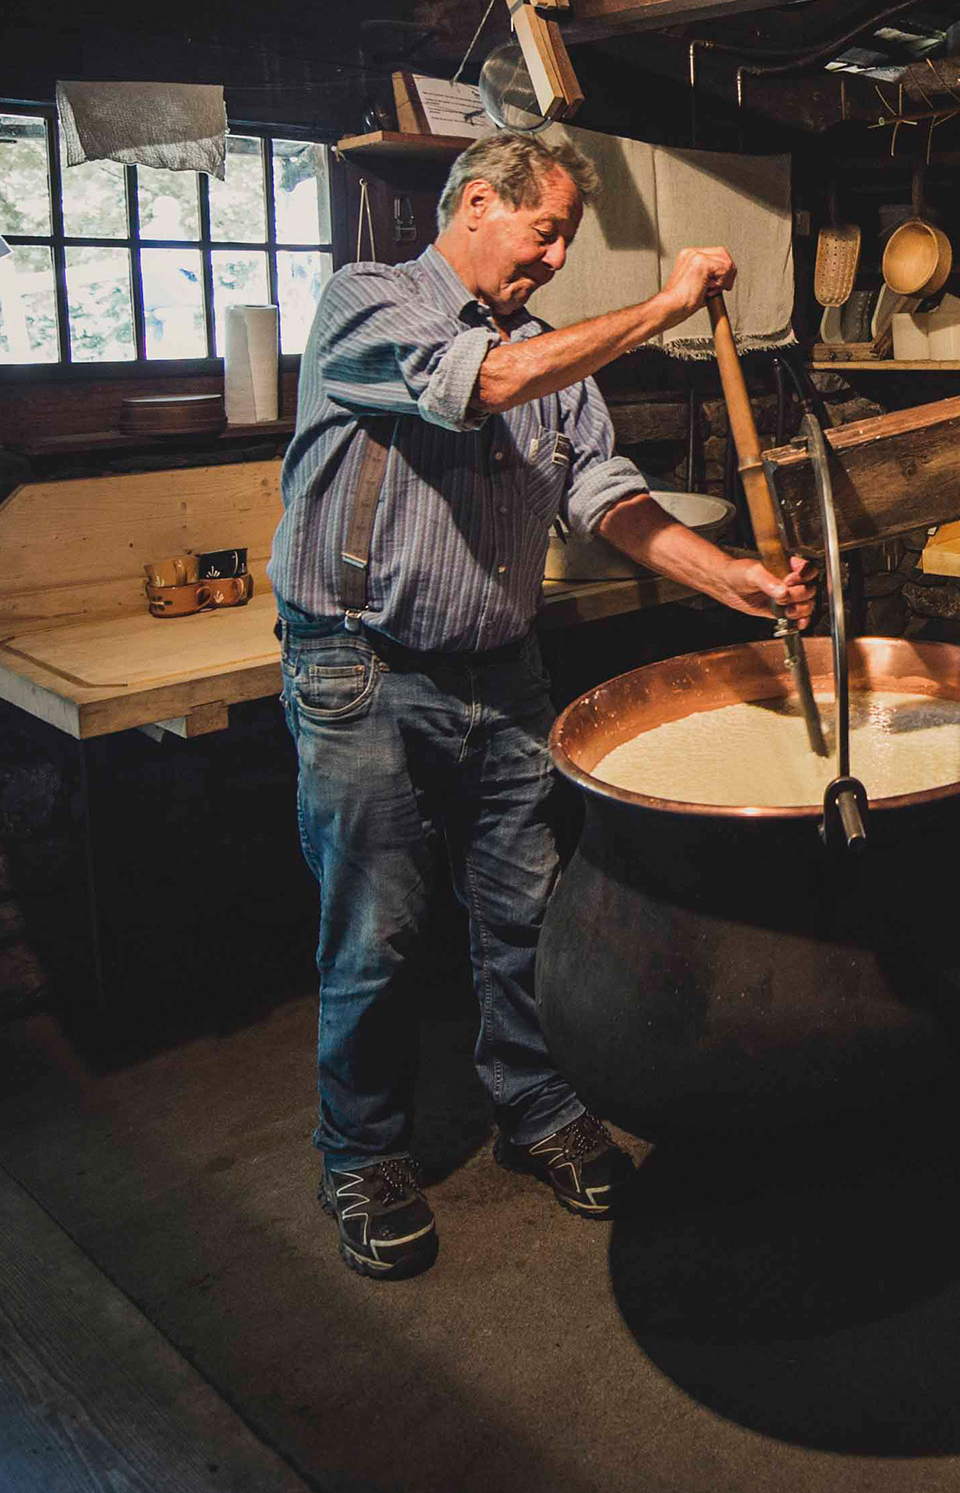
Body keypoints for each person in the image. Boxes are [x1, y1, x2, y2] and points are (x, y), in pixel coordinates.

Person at [269, 131, 815, 1279]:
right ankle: (361, 1152)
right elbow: (488, 385)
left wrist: (739, 583)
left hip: (499, 669)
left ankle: (534, 1101)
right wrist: (665, 302)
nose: (558, 255)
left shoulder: (548, 356)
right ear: (477, 204)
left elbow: (606, 496)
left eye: (567, 235)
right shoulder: (368, 304)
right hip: (363, 667)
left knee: (527, 907)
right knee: (376, 931)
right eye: (546, 229)